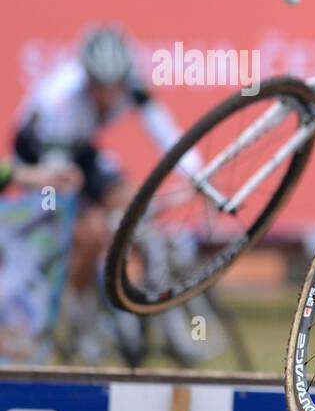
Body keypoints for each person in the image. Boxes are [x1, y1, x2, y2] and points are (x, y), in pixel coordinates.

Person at [13, 26, 188, 308]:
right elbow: (56, 177)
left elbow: (165, 132)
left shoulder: (132, 83)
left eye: (114, 86)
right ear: (86, 77)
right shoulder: (58, 101)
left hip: (80, 148)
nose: (108, 95)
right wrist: (82, 214)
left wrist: (194, 175)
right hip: (40, 160)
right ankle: (71, 307)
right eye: (99, 86)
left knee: (132, 200)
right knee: (87, 232)